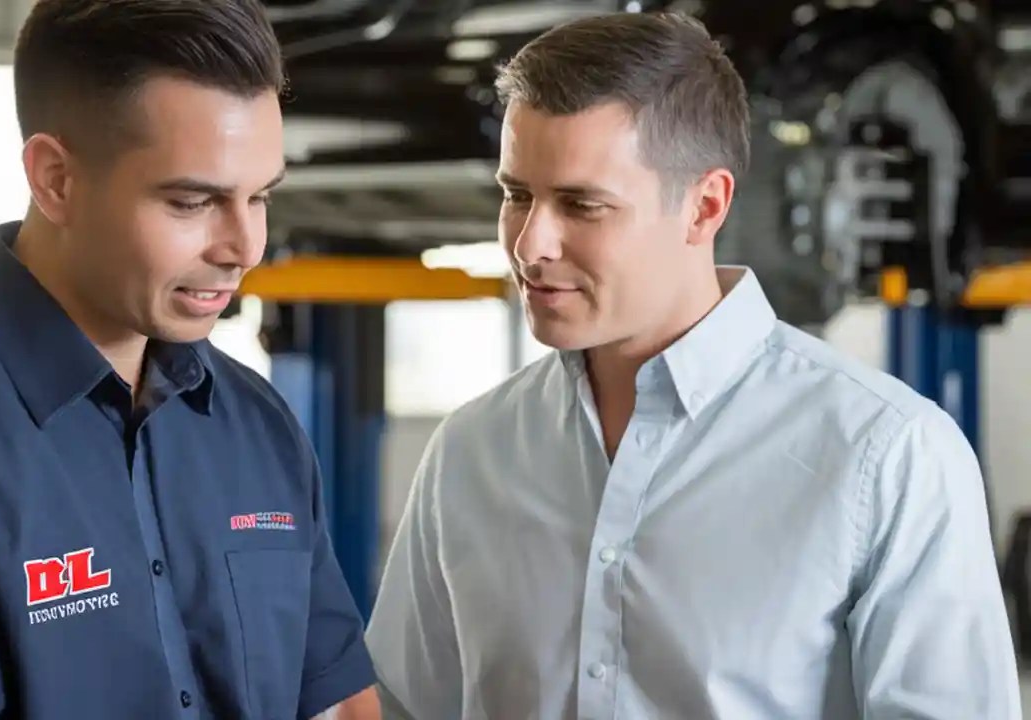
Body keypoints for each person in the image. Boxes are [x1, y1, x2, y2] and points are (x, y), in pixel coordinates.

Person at [365, 11, 1019, 720]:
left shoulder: (888, 457)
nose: (530, 244)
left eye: (582, 205)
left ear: (704, 207)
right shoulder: (471, 452)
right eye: (516, 194)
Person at [0, 1, 381, 718]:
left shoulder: (256, 424)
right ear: (55, 179)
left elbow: (339, 703)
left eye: (260, 197)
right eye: (191, 201)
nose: (243, 246)